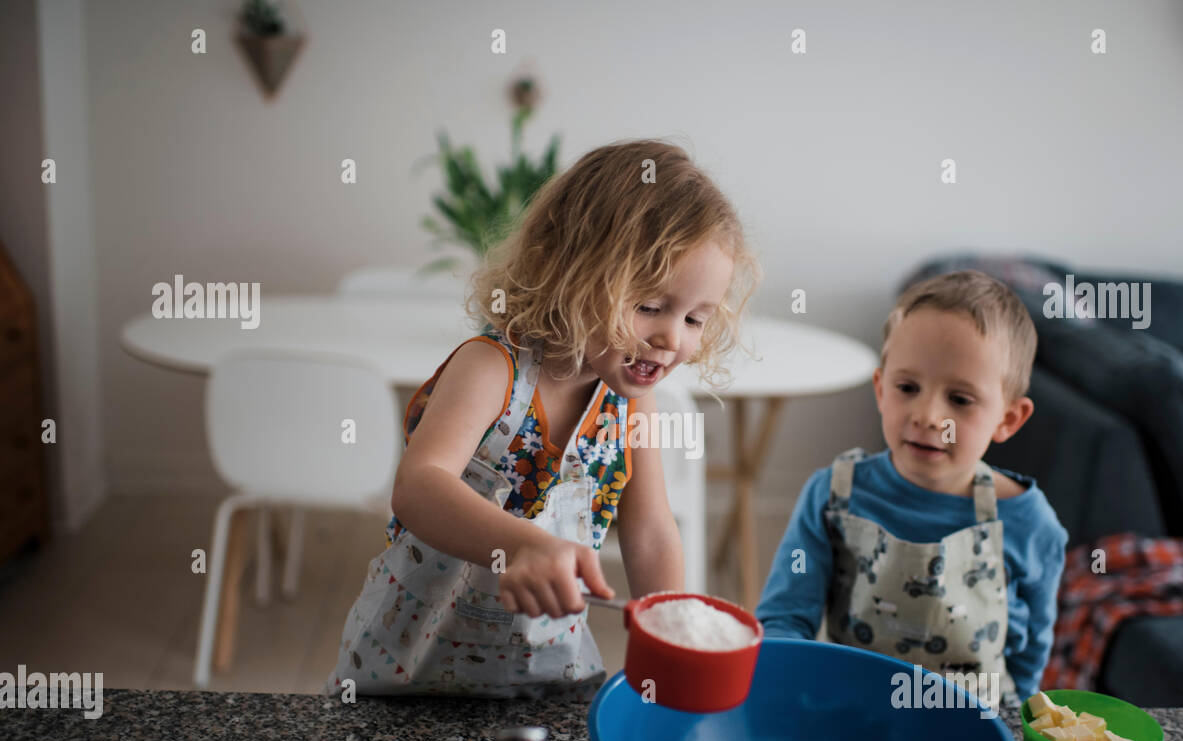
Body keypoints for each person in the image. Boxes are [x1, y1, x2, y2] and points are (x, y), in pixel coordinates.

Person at [326, 138, 758, 700]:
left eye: (696, 319)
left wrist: (672, 636)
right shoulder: (492, 369)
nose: (671, 339)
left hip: (544, 672)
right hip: (408, 670)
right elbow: (418, 486)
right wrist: (524, 546)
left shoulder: (630, 403)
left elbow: (650, 529)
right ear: (572, 268)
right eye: (649, 306)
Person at [756, 270, 1068, 709]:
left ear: (1008, 419)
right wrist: (784, 687)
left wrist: (1019, 729)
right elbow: (786, 617)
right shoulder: (831, 495)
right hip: (855, 712)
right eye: (908, 388)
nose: (927, 414)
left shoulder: (1027, 521)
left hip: (973, 728)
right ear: (881, 390)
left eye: (959, 399)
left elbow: (1031, 648)